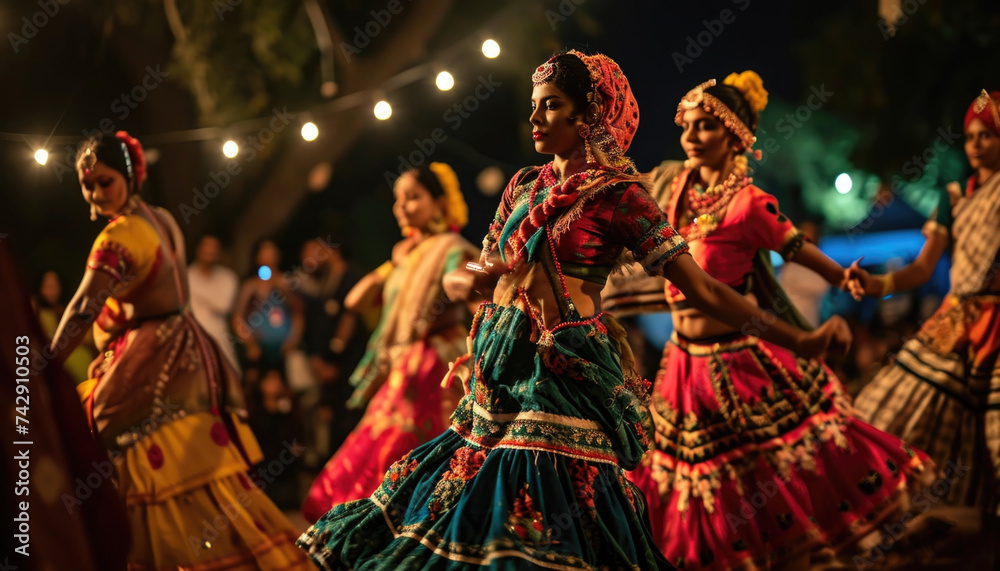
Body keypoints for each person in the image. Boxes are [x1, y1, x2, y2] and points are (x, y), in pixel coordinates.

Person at [297, 51, 853, 570]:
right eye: (534, 105)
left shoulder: (620, 196)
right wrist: (456, 276)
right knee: (461, 502)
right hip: (500, 362)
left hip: (565, 365)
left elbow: (702, 289)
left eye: (552, 104)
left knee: (532, 506)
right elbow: (483, 271)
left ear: (589, 115)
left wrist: (796, 339)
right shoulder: (522, 187)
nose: (535, 117)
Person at [621, 72, 934, 570]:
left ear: (737, 137)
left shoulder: (749, 204)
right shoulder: (674, 188)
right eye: (688, 127)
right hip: (681, 367)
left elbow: (797, 247)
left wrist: (843, 276)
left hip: (740, 361)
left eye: (706, 127)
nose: (692, 137)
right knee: (688, 479)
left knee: (762, 473)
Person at [48, 131, 310, 569]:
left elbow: (81, 309)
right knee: (197, 472)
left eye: (105, 181)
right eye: (87, 183)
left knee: (116, 448)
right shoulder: (161, 218)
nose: (95, 193)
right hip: (187, 350)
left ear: (130, 178)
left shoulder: (122, 235)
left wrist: (44, 367)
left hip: (151, 360)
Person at [848, 90, 1000, 516]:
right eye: (970, 136)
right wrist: (878, 286)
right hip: (956, 320)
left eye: (987, 135)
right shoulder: (953, 198)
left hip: (997, 324)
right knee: (891, 406)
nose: (976, 144)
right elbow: (921, 267)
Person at [300, 162, 477, 522]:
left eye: (412, 198)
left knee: (415, 452)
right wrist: (392, 264)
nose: (402, 208)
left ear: (440, 203)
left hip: (438, 363)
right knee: (381, 451)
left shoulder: (453, 246)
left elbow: (465, 276)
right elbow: (355, 301)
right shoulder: (404, 254)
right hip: (404, 364)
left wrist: (469, 275)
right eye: (398, 201)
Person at [232, 238, 304, 383]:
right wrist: (250, 344)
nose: (269, 256)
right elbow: (238, 317)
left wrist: (293, 340)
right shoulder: (250, 286)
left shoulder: (287, 282)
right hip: (258, 350)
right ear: (257, 257)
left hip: (283, 350)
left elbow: (298, 312)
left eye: (272, 252)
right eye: (265, 252)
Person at [188, 234, 240, 371]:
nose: (210, 251)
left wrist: (194, 290)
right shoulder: (186, 276)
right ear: (198, 249)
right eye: (206, 246)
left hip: (220, 341)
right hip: (192, 342)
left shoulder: (228, 277)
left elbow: (223, 305)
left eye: (214, 247)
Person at [33, 269, 95, 383]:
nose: (51, 290)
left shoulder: (70, 310)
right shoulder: (36, 310)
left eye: (54, 285)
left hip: (80, 363)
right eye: (47, 286)